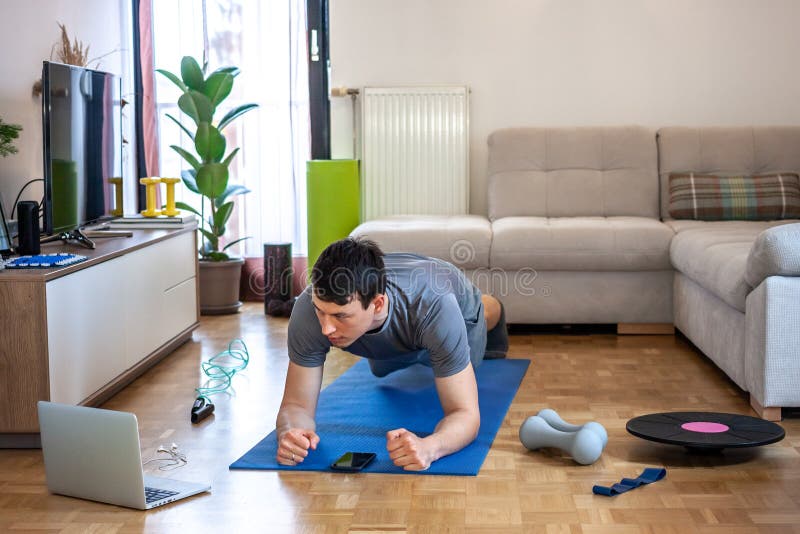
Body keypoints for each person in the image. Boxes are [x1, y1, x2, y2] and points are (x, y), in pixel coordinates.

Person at [275, 237, 508, 471]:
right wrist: (292, 433)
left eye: (340, 316)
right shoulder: (308, 307)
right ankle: (411, 343)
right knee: (380, 369)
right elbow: (296, 405)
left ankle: (490, 306)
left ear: (377, 304)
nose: (326, 329)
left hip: (448, 301)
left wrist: (430, 447)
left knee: (478, 340)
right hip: (407, 324)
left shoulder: (437, 307)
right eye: (320, 312)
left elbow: (465, 413)